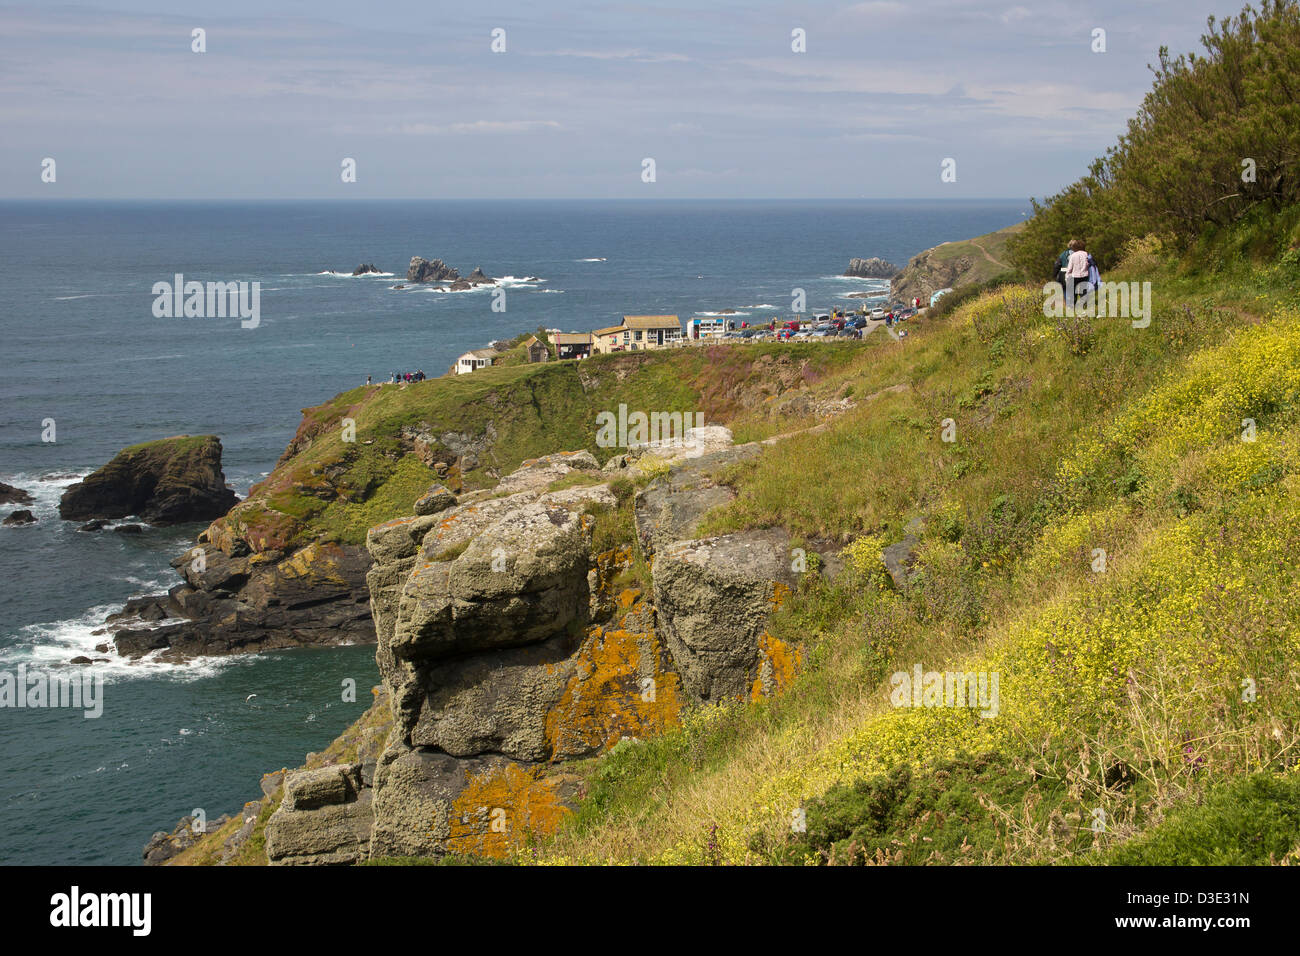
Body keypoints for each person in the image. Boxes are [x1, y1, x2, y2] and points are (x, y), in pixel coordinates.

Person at [1064, 239, 1091, 308]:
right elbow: (1089, 264)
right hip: (1085, 275)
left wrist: (1067, 277)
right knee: (1083, 291)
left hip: (1075, 276)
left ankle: (1073, 305)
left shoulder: (1073, 256)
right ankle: (1085, 304)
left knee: (1073, 292)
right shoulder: (1086, 254)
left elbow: (1069, 268)